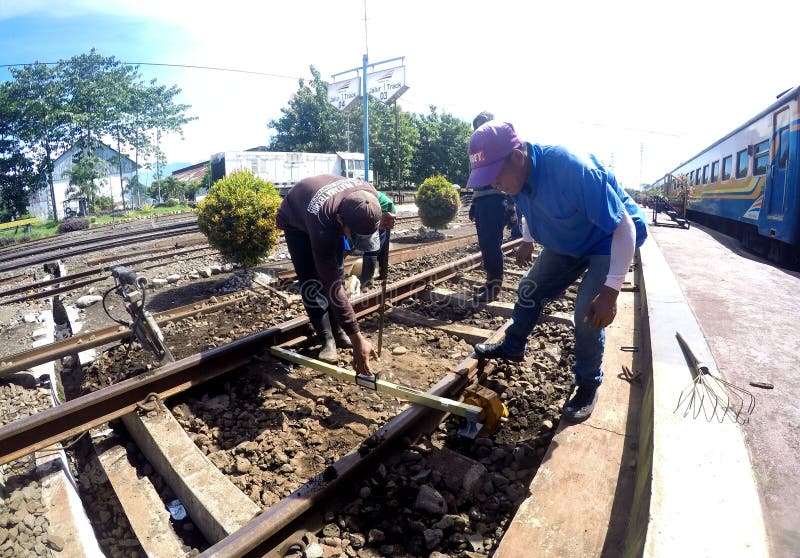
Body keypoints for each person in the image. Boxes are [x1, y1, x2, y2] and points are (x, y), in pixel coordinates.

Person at [466, 121, 648, 421]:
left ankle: (588, 384)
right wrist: (526, 240)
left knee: (586, 313)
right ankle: (513, 345)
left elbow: (624, 227)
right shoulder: (514, 178)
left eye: (495, 175)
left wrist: (611, 290)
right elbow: (531, 207)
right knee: (529, 287)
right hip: (569, 239)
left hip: (608, 239)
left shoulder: (573, 169)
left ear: (517, 156)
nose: (493, 183)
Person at [276, 174, 381, 374]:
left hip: (327, 208)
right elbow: (331, 284)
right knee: (313, 281)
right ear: (341, 221)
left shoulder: (370, 194)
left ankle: (339, 332)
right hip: (297, 220)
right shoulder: (322, 222)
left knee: (339, 273)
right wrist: (358, 338)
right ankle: (327, 339)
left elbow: (386, 208)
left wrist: (388, 217)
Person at [469, 111, 508, 302]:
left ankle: (495, 286)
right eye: (477, 125)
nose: (479, 129)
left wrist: (511, 207)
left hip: (495, 199)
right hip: (482, 201)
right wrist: (474, 203)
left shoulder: (499, 146)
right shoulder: (476, 149)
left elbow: (509, 176)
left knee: (492, 244)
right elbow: (477, 178)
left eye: (483, 124)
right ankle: (489, 281)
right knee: (485, 244)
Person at [359, 190, 397, 290]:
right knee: (377, 244)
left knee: (372, 245)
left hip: (383, 209)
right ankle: (380, 272)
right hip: (369, 207)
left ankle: (367, 281)